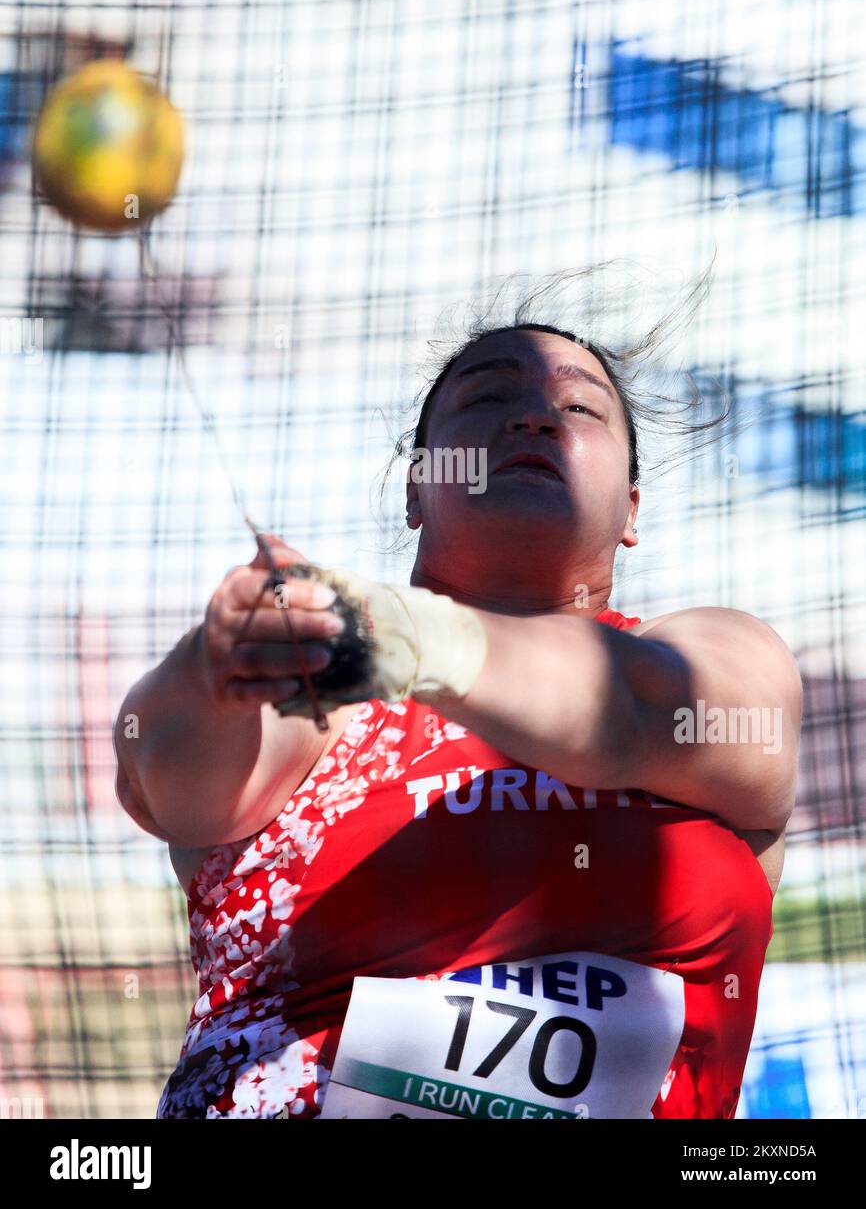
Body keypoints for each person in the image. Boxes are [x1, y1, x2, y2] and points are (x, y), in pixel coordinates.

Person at [114, 298, 801, 1120]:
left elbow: (634, 709)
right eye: (487, 400)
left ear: (632, 512)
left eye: (580, 407)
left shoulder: (716, 653)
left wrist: (410, 637)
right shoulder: (325, 685)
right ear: (417, 486)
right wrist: (216, 662)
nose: (537, 420)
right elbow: (165, 779)